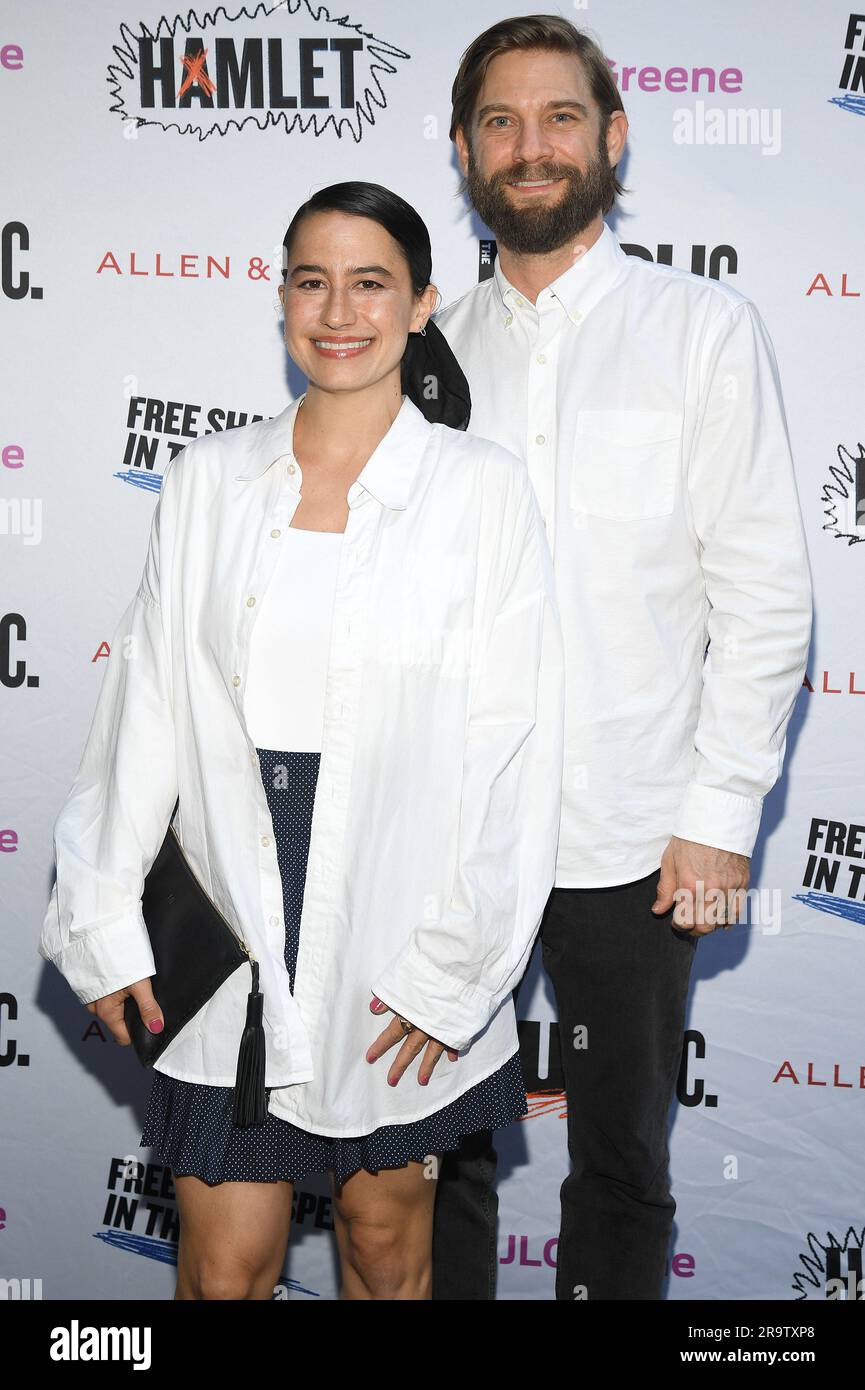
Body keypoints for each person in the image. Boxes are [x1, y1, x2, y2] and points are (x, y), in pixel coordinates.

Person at [38, 181, 565, 1301]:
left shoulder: (483, 495)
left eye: (370, 282)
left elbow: (512, 748)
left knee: (385, 1246)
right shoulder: (208, 482)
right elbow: (147, 711)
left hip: (398, 913)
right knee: (225, 1271)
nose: (338, 310)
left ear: (423, 302)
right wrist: (99, 915)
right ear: (281, 298)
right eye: (311, 280)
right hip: (228, 907)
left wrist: (455, 969)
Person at [431, 15, 813, 1301]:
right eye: (499, 121)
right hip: (446, 839)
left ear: (612, 138)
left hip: (635, 845)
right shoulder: (425, 361)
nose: (529, 147)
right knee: (434, 1160)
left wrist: (717, 816)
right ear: (464, 151)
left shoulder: (700, 329)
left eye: (558, 118)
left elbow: (761, 596)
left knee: (617, 1164)